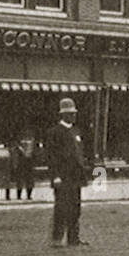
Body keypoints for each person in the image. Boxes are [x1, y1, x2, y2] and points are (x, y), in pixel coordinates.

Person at [47, 98, 90, 247]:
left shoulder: (76, 131)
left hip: (75, 177)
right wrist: (55, 176)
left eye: (74, 113)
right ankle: (57, 239)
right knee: (61, 208)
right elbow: (52, 157)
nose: (73, 116)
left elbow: (79, 154)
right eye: (70, 113)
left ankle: (73, 238)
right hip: (63, 177)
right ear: (63, 115)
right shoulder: (55, 132)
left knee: (75, 208)